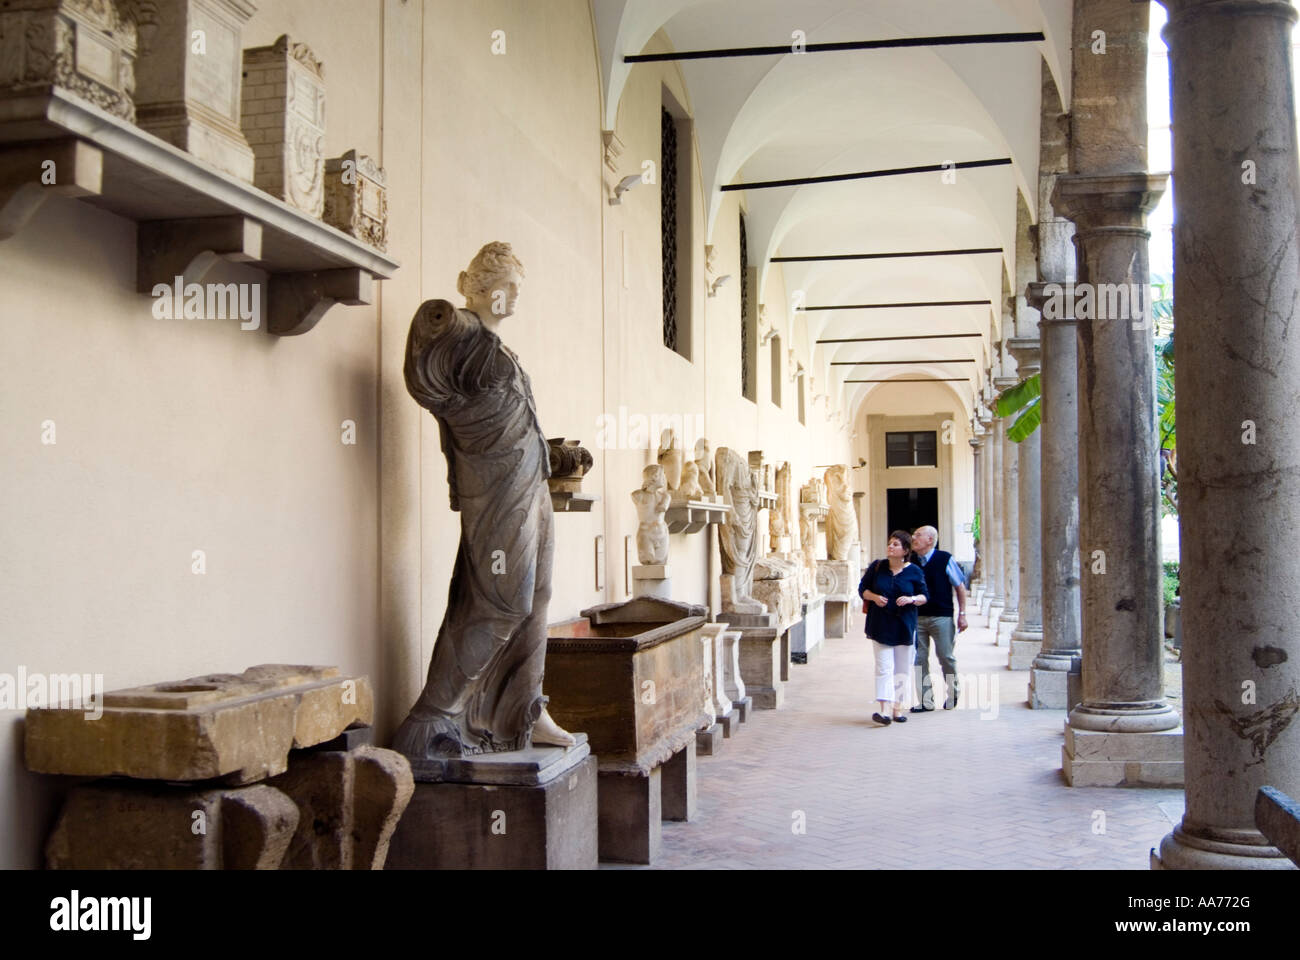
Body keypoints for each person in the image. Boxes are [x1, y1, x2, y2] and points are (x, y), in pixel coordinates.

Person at [394, 241, 574, 760]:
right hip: (496, 490)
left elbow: (511, 420)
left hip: (531, 482)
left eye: (517, 288)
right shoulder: (465, 340)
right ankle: (433, 715)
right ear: (473, 285)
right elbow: (428, 367)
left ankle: (524, 711)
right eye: (504, 286)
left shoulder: (500, 351)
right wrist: (444, 321)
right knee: (503, 600)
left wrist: (554, 454)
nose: (512, 296)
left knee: (537, 596)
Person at [859, 530, 928, 725]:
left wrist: (911, 599)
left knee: (902, 668)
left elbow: (924, 596)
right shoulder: (877, 567)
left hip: (904, 625)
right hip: (880, 624)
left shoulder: (914, 571)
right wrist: (874, 597)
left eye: (896, 544)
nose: (890, 546)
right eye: (890, 543)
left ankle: (898, 708)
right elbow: (862, 589)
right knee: (883, 667)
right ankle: (884, 711)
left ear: (905, 550)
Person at [908, 525, 969, 712]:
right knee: (919, 659)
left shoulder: (945, 559)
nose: (913, 538)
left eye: (918, 535)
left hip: (941, 616)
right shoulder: (910, 561)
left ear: (930, 540)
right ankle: (926, 701)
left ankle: (953, 692)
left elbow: (959, 587)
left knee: (946, 657)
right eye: (914, 535)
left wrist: (962, 614)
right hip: (917, 617)